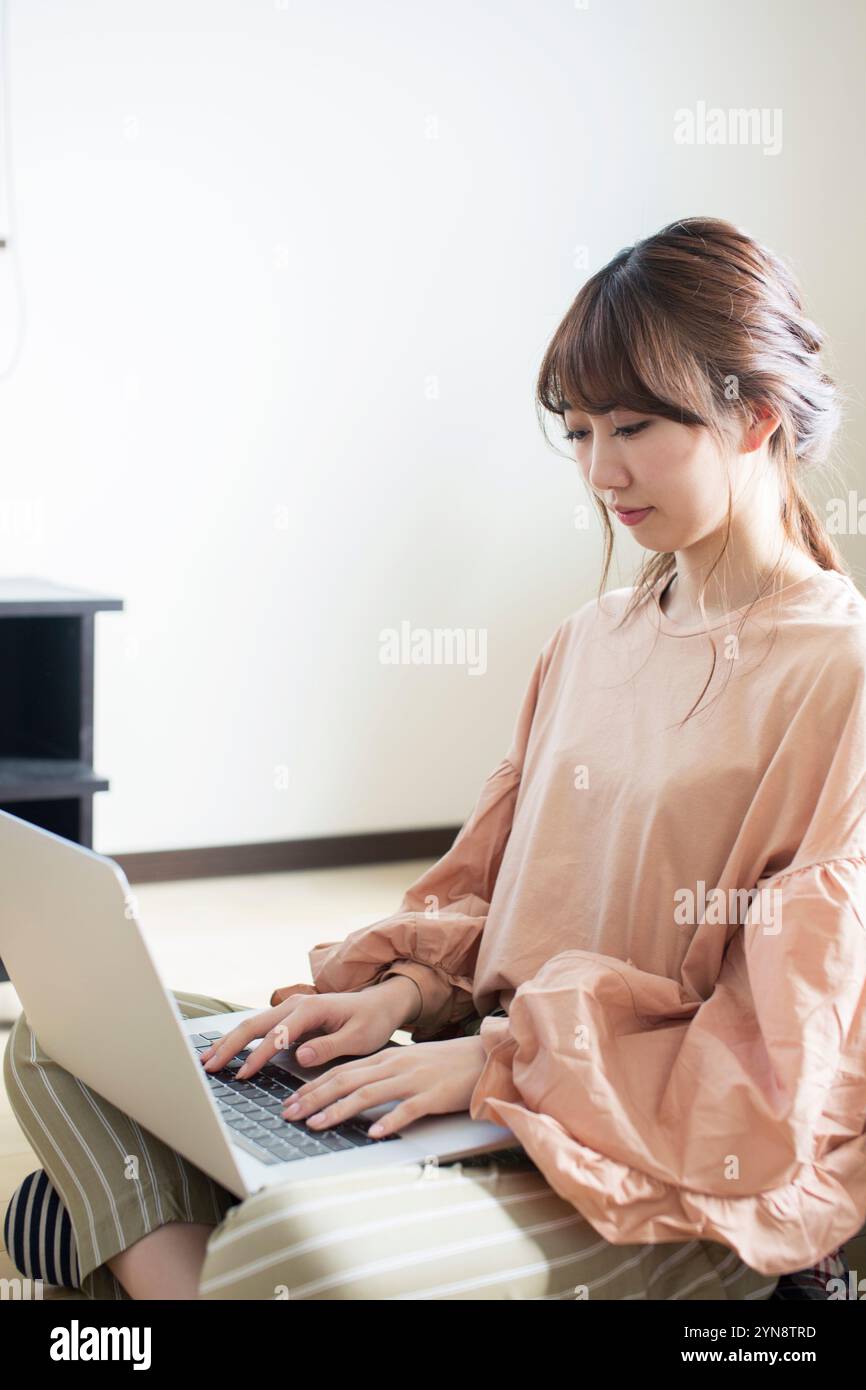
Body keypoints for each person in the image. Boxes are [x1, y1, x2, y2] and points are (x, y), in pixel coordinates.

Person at [5, 216, 864, 1300]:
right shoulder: (589, 639)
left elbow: (771, 1067)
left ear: (755, 415)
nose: (600, 470)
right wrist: (404, 993)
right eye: (579, 430)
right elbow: (504, 897)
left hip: (666, 1160)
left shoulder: (839, 672)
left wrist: (498, 1065)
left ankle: (156, 1249)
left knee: (280, 1255)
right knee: (54, 1040)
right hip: (492, 1091)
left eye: (634, 426)